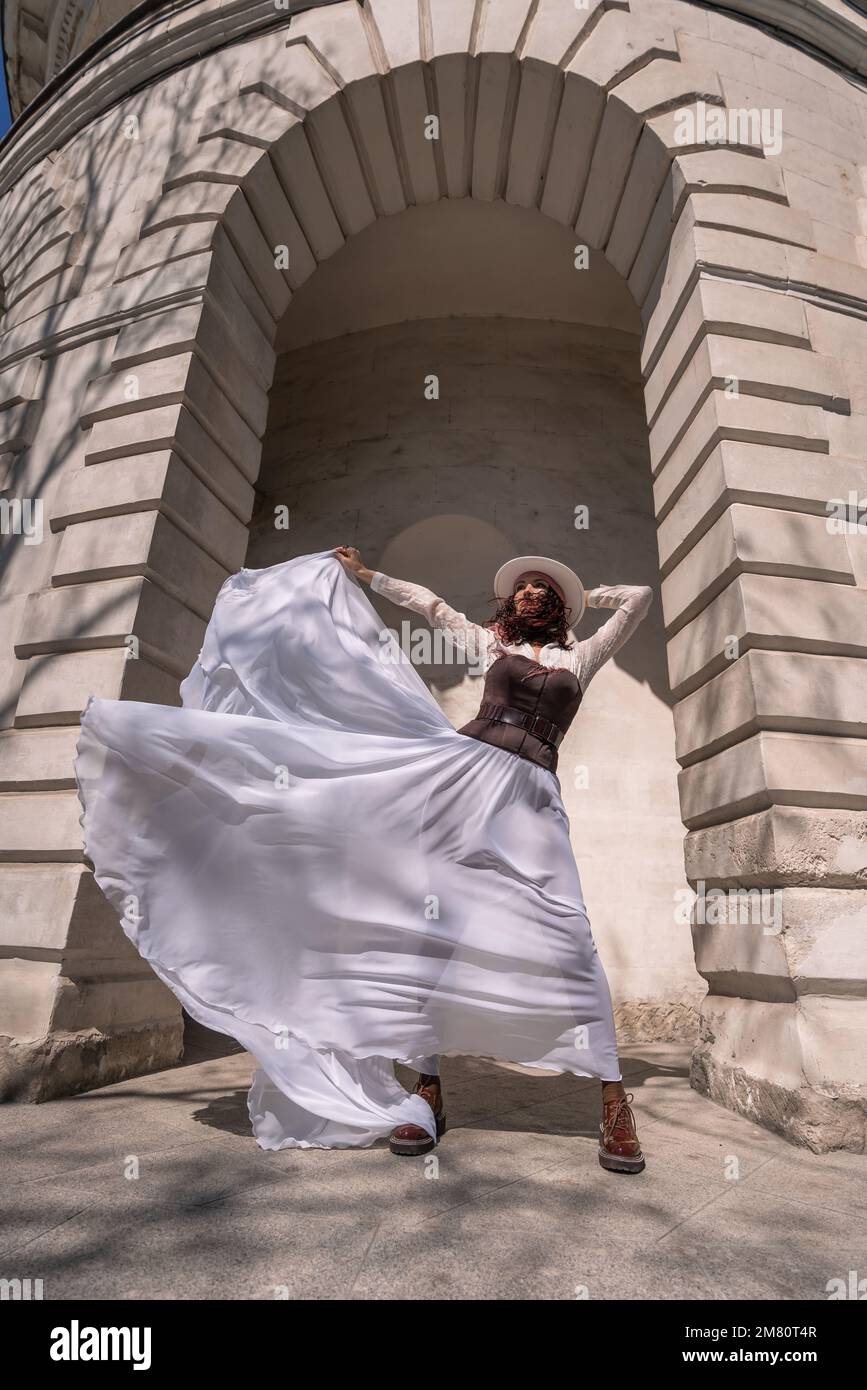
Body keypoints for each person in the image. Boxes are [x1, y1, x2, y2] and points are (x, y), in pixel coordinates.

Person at [74, 546, 652, 1173]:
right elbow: (429, 606)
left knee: (571, 939)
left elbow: (639, 599)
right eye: (521, 590)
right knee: (435, 935)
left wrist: (582, 590)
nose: (529, 595)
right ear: (508, 606)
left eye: (542, 590)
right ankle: (426, 1086)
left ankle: (613, 1099)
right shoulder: (489, 645)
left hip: (534, 796)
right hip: (458, 786)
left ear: (558, 606)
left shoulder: (582, 656)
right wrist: (367, 576)